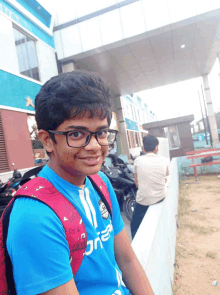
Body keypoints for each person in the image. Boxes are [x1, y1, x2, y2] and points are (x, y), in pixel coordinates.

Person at [6, 71, 154, 295]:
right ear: (48, 140)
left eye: (101, 132)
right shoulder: (35, 216)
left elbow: (127, 260)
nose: (95, 145)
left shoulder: (100, 182)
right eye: (76, 134)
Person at [130, 134, 169, 240]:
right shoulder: (165, 160)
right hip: (160, 198)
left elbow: (137, 184)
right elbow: (165, 178)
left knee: (134, 226)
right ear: (157, 148)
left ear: (143, 148)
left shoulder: (137, 161)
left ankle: (136, 245)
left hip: (143, 201)